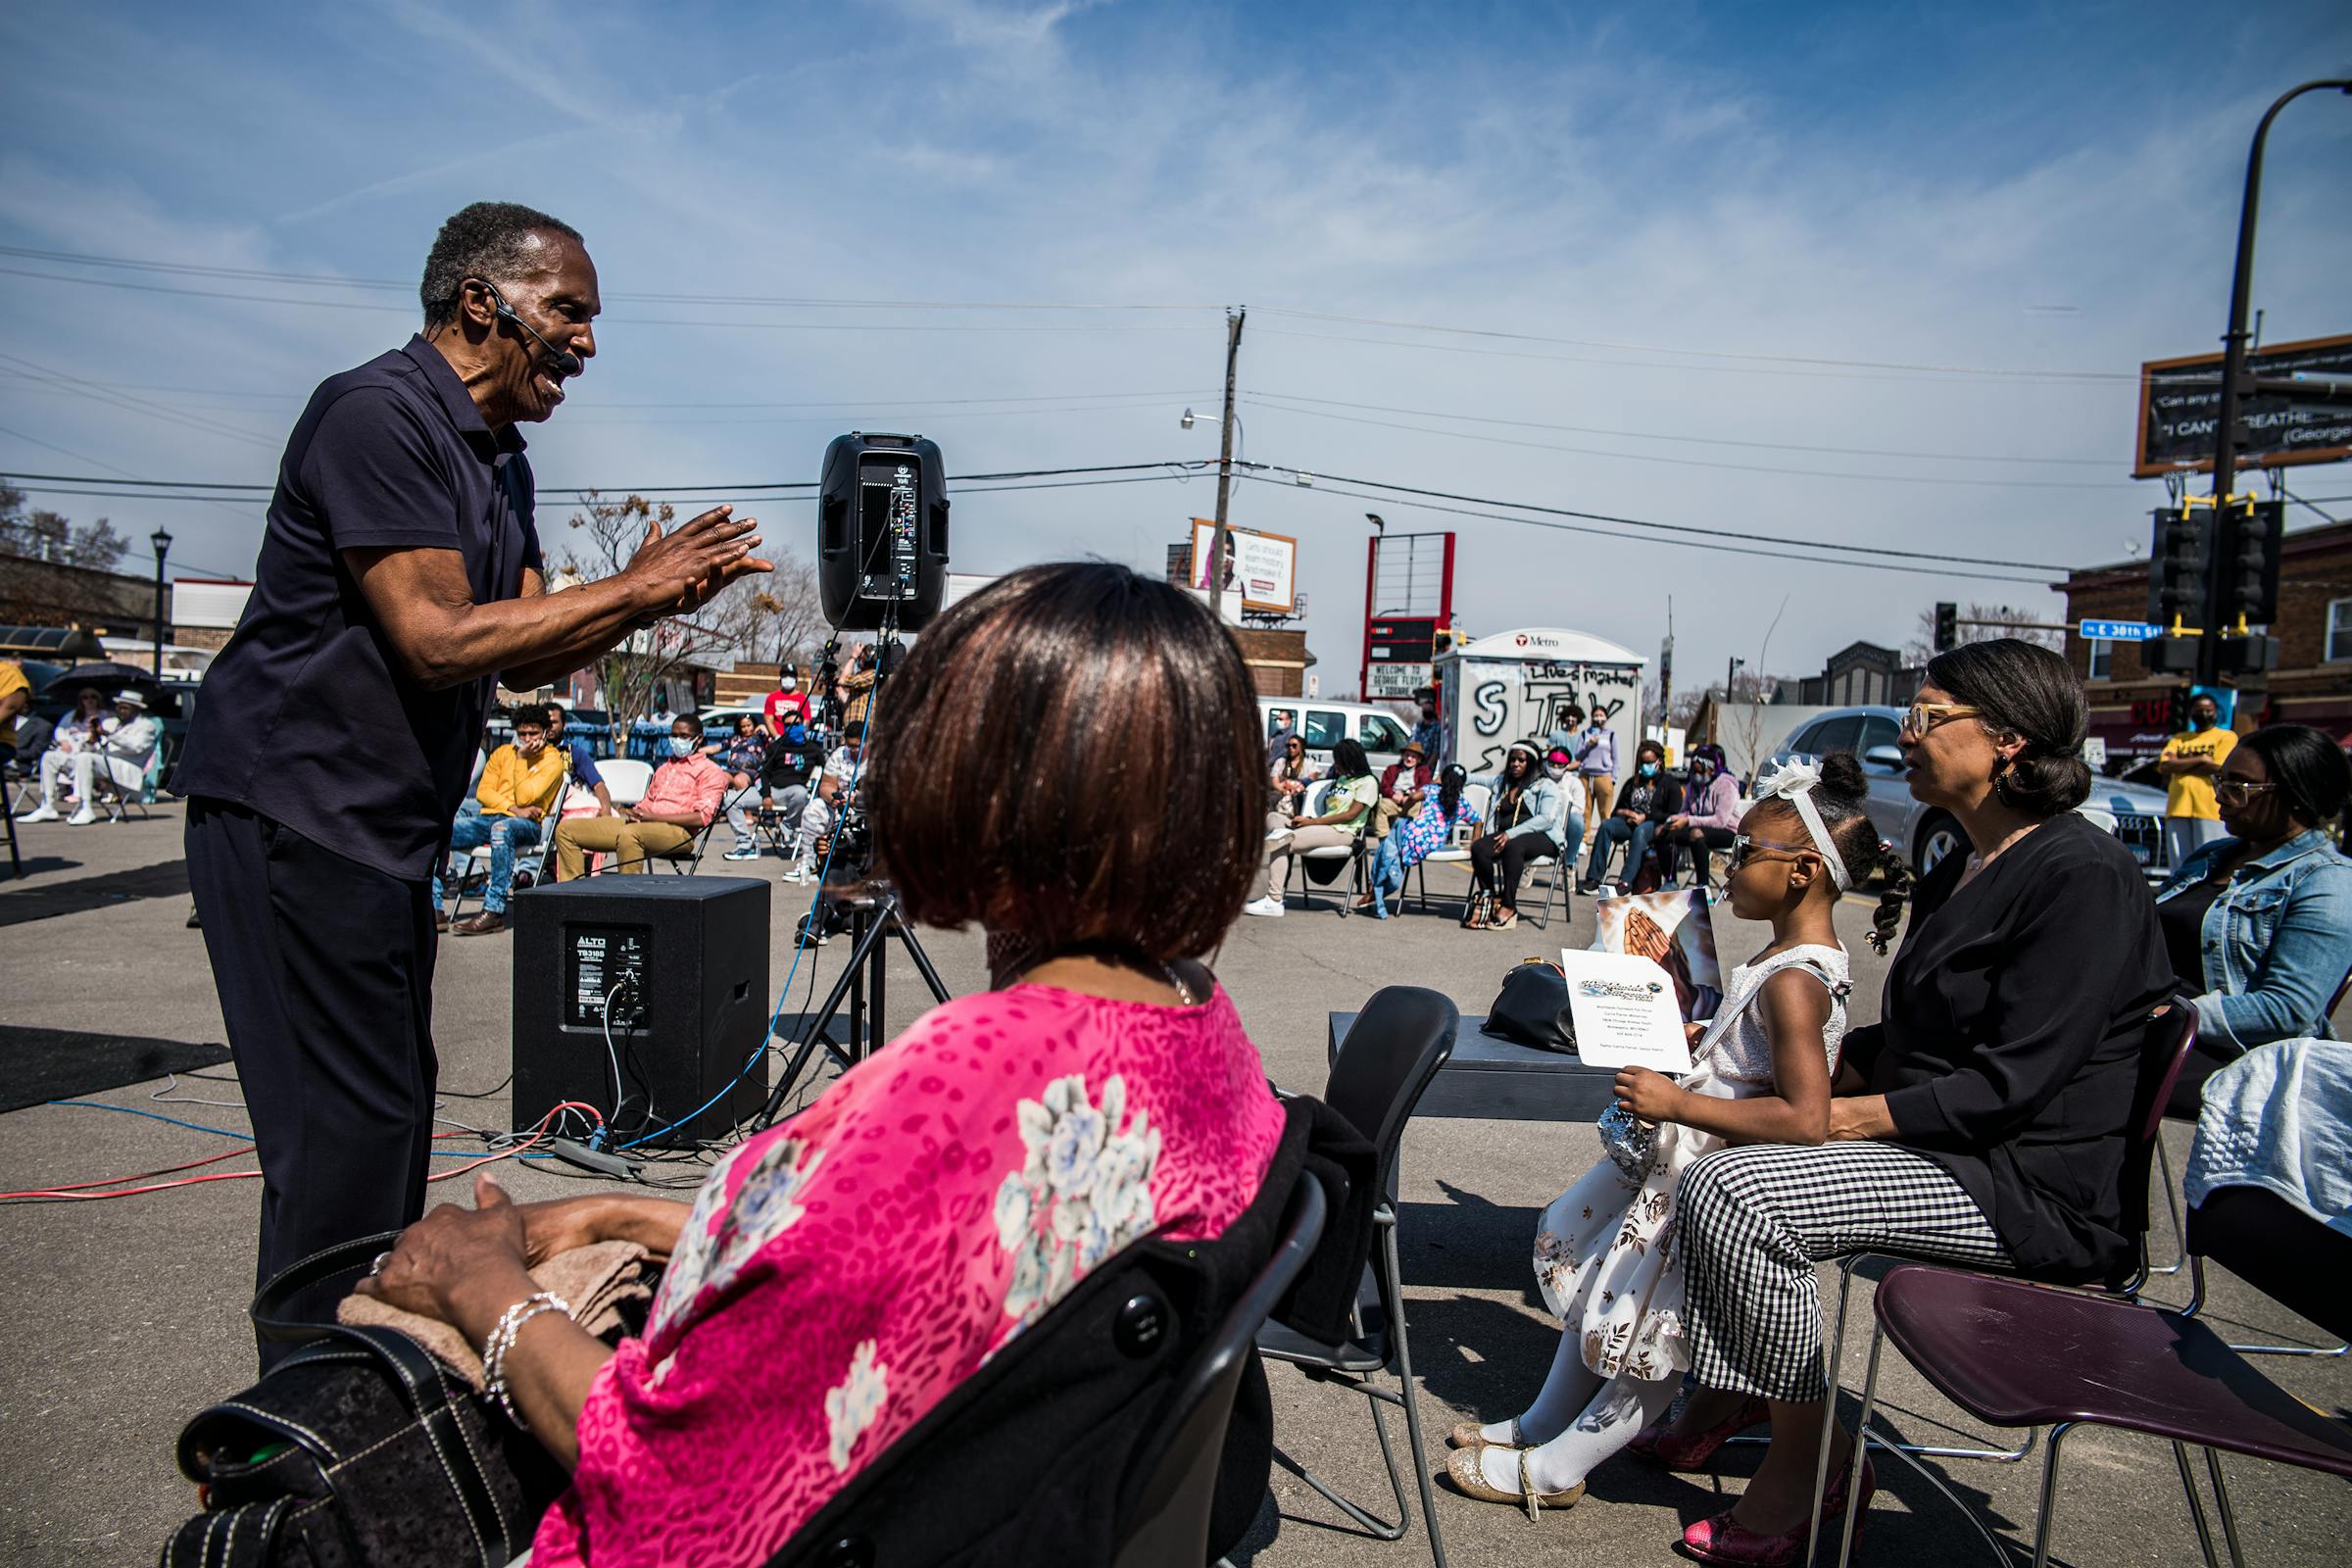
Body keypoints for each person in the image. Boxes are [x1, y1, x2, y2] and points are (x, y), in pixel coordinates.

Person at [351, 563, 1286, 1566]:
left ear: (974, 788)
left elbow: (675, 1482)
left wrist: (483, 1291)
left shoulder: (956, 1088)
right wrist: (619, 1213)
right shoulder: (1201, 1025)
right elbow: (911, 1246)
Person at [170, 202, 769, 1361]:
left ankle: (364, 1386)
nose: (587, 344)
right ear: (481, 302)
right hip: (293, 809)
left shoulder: (502, 460)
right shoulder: (376, 414)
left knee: (389, 1127)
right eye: (569, 312)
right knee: (337, 1142)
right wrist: (636, 588)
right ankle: (304, 1426)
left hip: (377, 833)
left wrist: (649, 597)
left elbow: (529, 651)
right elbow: (437, 638)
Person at [1652, 639, 2171, 1562]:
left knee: (1741, 1191)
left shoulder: (2081, 877)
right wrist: (1752, 1064)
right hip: (1949, 1145)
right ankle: (1742, 1388)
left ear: (2008, 739)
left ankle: (1814, 1467)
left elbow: (2013, 1083)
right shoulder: (1963, 860)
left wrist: (1828, 1117)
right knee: (1702, 1141)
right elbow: (1909, 1041)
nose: (1908, 732)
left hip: (2024, 1181)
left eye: (1930, 716)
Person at [1444, 754, 1881, 1513]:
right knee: (1612, 1294)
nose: (1730, 866)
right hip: (1677, 1172)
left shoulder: (1796, 980)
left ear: (1804, 871)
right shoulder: (1782, 961)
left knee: (1653, 1333)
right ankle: (1546, 1423)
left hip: (1709, 1184)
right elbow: (1756, 1065)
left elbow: (1806, 1118)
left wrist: (1678, 1105)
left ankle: (1556, 1470)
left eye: (1745, 852)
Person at [2154, 723, 2352, 1115]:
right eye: (2220, 780)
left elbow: (2286, 1009)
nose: (2220, 797)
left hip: (2227, 1055)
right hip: (2146, 1024)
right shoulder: (2212, 856)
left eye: (2239, 787)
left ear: (2297, 796)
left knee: (2072, 1075)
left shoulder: (2327, 879)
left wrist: (2168, 1015)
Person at [432, 709, 567, 936]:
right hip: (493, 817)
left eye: (533, 733)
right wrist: (513, 808)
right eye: (522, 733)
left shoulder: (552, 761)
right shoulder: (503, 753)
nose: (527, 739)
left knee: (501, 829)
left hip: (529, 827)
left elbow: (527, 796)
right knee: (439, 830)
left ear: (545, 732)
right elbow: (483, 792)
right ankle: (434, 908)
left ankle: (494, 911)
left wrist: (522, 760)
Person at [552, 715, 729, 876]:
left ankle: (627, 900)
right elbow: (648, 802)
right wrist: (635, 812)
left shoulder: (710, 771)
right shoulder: (665, 768)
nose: (677, 741)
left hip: (679, 832)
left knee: (630, 835)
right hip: (642, 825)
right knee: (567, 830)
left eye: (683, 736)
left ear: (699, 739)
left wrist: (654, 817)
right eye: (673, 735)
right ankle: (573, 893)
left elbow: (702, 818)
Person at [1249, 736, 1375, 917]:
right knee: (1274, 816)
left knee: (1282, 842)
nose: (1335, 764)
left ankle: (1274, 900)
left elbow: (1351, 815)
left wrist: (1312, 822)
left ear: (1349, 759)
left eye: (1338, 760)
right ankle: (1282, 832)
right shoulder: (1341, 780)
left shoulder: (1368, 782)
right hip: (1322, 825)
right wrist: (1306, 819)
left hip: (1342, 832)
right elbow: (1329, 812)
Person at [1465, 739, 1569, 931]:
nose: (1515, 764)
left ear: (1531, 762)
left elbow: (1546, 819)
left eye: (1521, 760)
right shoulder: (1502, 782)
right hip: (1507, 836)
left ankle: (1508, 905)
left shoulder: (1545, 786)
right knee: (1479, 847)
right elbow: (1474, 778)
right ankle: (1490, 895)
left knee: (1514, 846)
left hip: (1544, 837)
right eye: (1512, 760)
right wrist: (1451, 775)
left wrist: (1510, 834)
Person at [1364, 761, 1481, 919]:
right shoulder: (1461, 803)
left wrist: (1403, 814)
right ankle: (1378, 889)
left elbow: (1412, 797)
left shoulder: (1432, 790)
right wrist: (1474, 843)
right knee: (1391, 845)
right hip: (1433, 844)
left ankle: (1376, 886)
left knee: (1390, 841)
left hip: (1412, 838)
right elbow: (1478, 821)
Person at [25, 690, 160, 824]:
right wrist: (91, 740)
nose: (121, 710)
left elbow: (135, 748)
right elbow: (92, 749)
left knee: (85, 758)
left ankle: (86, 808)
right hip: (100, 765)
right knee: (51, 757)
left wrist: (109, 735)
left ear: (136, 709)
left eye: (125, 708)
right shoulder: (110, 722)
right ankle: (47, 805)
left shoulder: (146, 726)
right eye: (119, 707)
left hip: (126, 768)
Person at [1579, 740, 1680, 894]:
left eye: (1649, 762)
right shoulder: (1633, 782)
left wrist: (1645, 817)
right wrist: (1628, 813)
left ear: (1659, 761)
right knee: (1607, 825)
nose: (1645, 766)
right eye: (1642, 762)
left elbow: (1673, 812)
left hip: (1654, 824)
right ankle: (1593, 878)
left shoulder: (1669, 783)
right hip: (1629, 823)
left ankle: (1626, 882)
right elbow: (1616, 811)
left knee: (1641, 831)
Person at [2156, 691, 2236, 870]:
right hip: (2178, 807)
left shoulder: (2226, 736)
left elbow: (2219, 767)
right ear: (2191, 712)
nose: (2204, 714)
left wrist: (2180, 764)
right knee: (2179, 862)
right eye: (2199, 709)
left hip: (2209, 808)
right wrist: (2201, 760)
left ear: (2216, 712)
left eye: (2209, 709)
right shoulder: (2179, 738)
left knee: (2209, 861)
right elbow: (2165, 766)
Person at [1657, 751, 1741, 890]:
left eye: (1700, 771)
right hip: (1699, 826)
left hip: (1728, 831)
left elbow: (1720, 820)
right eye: (1694, 771)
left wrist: (1688, 820)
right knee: (1663, 832)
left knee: (1696, 834)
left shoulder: (1726, 786)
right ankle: (1670, 881)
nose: (1697, 775)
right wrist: (1674, 819)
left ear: (1711, 769)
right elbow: (1686, 811)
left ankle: (1703, 886)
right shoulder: (1692, 786)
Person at [712, 711, 773, 862]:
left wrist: (761, 728)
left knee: (740, 781)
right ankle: (715, 812)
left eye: (748, 725)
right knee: (720, 778)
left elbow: (768, 734)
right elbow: (715, 748)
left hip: (751, 772)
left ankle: (747, 814)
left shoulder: (759, 737)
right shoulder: (734, 739)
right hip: (732, 769)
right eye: (743, 726)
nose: (746, 729)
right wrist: (698, 751)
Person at [543, 704, 614, 818]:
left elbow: (598, 784)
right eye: (545, 723)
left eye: (554, 722)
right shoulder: (532, 752)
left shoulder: (575, 753)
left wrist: (606, 810)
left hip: (566, 810)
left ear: (564, 724)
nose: (549, 727)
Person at [1363, 737, 1434, 845]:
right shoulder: (1392, 769)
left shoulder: (1423, 771)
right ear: (1403, 756)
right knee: (1380, 805)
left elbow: (1425, 786)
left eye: (1413, 756)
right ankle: (1385, 841)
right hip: (1394, 800)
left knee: (1417, 805)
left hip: (1411, 801)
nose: (1409, 759)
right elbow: (1384, 786)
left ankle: (1410, 840)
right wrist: (1393, 794)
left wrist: (1409, 794)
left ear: (1419, 759)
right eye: (1407, 755)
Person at [1572, 710, 1617, 822]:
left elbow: (1616, 758)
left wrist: (1613, 778)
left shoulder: (1610, 735)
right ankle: (1585, 837)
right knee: (1585, 810)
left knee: (1605, 812)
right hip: (1586, 776)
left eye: (1601, 715)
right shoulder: (1585, 734)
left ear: (1606, 717)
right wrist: (1588, 745)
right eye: (1596, 715)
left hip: (1604, 776)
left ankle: (1605, 836)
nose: (1598, 718)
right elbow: (1578, 756)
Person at [1267, 731, 1316, 826]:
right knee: (1271, 797)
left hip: (1298, 793)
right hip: (1281, 792)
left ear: (1301, 747)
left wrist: (1296, 786)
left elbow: (1312, 779)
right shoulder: (1281, 761)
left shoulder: (1308, 763)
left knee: (1298, 799)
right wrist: (1283, 789)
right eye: (1288, 745)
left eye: (1294, 745)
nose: (1291, 748)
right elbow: (1274, 781)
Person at [763, 668, 811, 732]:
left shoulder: (803, 699)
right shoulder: (772, 697)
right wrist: (776, 736)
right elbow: (768, 720)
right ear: (780, 679)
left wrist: (799, 735)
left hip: (795, 738)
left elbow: (806, 720)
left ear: (796, 680)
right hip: (777, 738)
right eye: (785, 676)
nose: (788, 678)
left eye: (791, 676)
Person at [1409, 696, 1449, 763]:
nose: (1426, 711)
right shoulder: (1417, 725)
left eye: (1429, 709)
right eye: (1425, 709)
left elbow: (1436, 751)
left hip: (1427, 765)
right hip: (1414, 763)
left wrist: (1427, 767)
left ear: (1433, 711)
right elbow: (1411, 743)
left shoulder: (1437, 727)